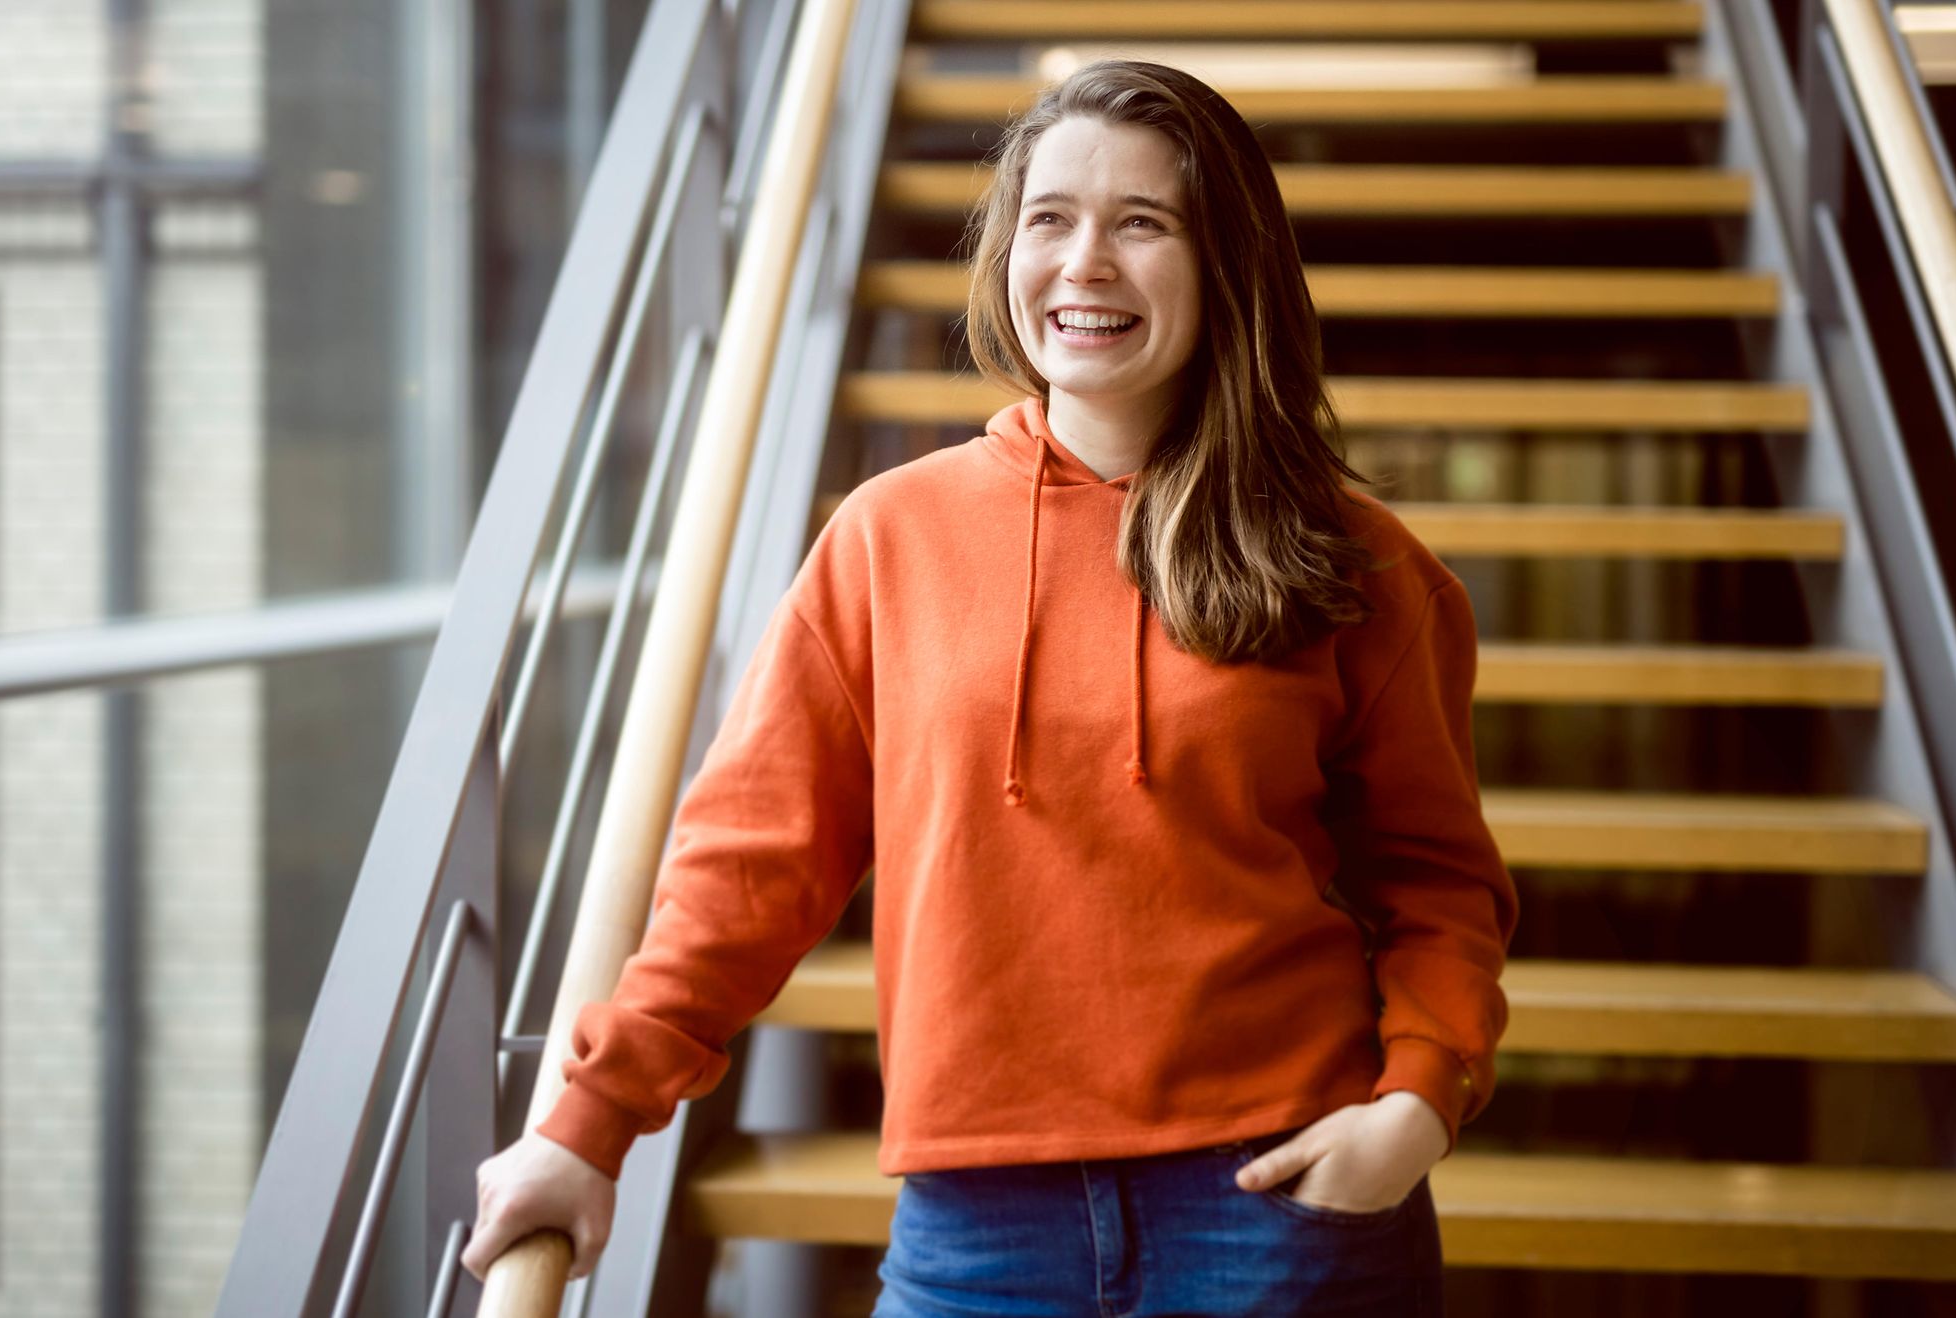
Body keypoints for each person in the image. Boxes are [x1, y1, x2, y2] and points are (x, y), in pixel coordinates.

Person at [463, 58, 1517, 1316]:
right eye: (1051, 219)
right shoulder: (889, 537)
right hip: (979, 1226)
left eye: (1144, 223)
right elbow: (749, 866)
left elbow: (1439, 887)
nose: (1086, 264)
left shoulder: (1360, 563)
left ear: (1226, 263)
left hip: (1279, 1205)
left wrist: (1414, 1107)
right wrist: (588, 1124)